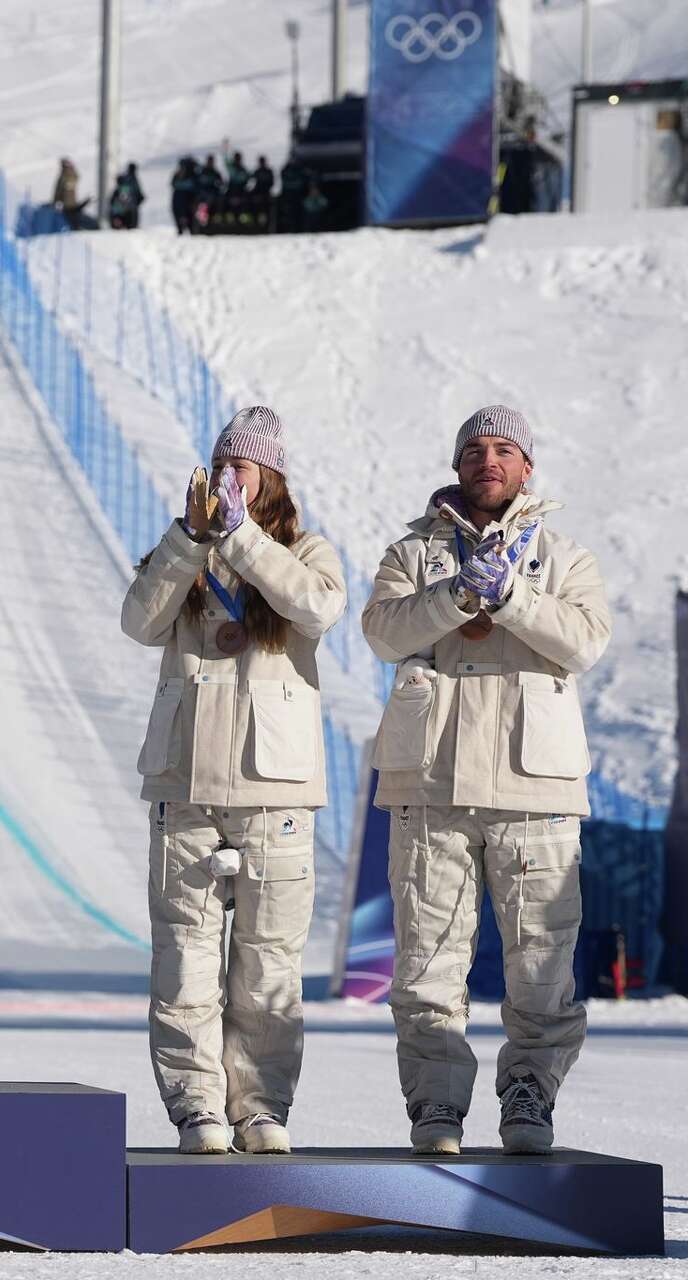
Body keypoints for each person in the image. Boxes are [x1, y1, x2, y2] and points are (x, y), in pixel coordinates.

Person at [362, 406, 610, 1156]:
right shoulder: (414, 552)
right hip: (431, 785)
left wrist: (512, 596)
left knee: (541, 964)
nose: (487, 460)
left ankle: (530, 1095)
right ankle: (436, 1105)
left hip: (533, 789)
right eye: (474, 449)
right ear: (457, 462)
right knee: (428, 963)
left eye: (504, 449)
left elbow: (585, 642)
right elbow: (383, 633)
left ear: (527, 467)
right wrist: (459, 594)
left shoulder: (566, 557)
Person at [121, 408, 345, 1156]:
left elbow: (317, 608)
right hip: (184, 781)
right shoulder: (181, 548)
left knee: (268, 963)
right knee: (183, 958)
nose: (226, 479)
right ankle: (197, 1105)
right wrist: (191, 540)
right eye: (219, 465)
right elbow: (139, 621)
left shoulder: (305, 548)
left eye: (239, 467)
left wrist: (244, 538)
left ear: (268, 475)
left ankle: (261, 1107)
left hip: (272, 787)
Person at [171, 158, 199, 236]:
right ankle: (181, 227)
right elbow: (173, 184)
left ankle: (190, 229)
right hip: (179, 199)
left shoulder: (193, 175)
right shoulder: (177, 175)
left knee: (190, 216)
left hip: (189, 199)